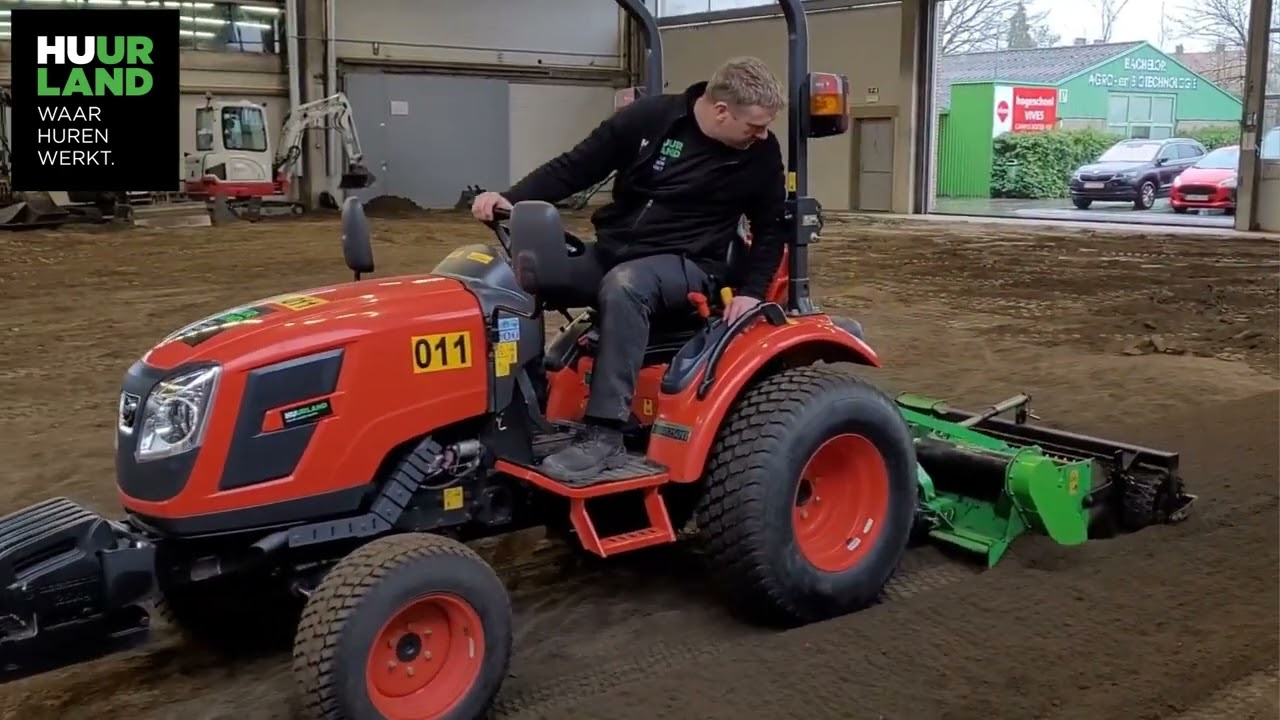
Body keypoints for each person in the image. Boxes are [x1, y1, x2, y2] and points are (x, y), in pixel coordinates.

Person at [472, 56, 787, 480]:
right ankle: (521, 405)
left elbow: (770, 229)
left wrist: (752, 291)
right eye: (755, 125)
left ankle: (604, 434)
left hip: (694, 265)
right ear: (720, 111)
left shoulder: (760, 155)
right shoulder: (650, 119)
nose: (762, 134)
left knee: (626, 287)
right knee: (520, 274)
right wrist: (512, 198)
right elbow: (576, 166)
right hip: (614, 251)